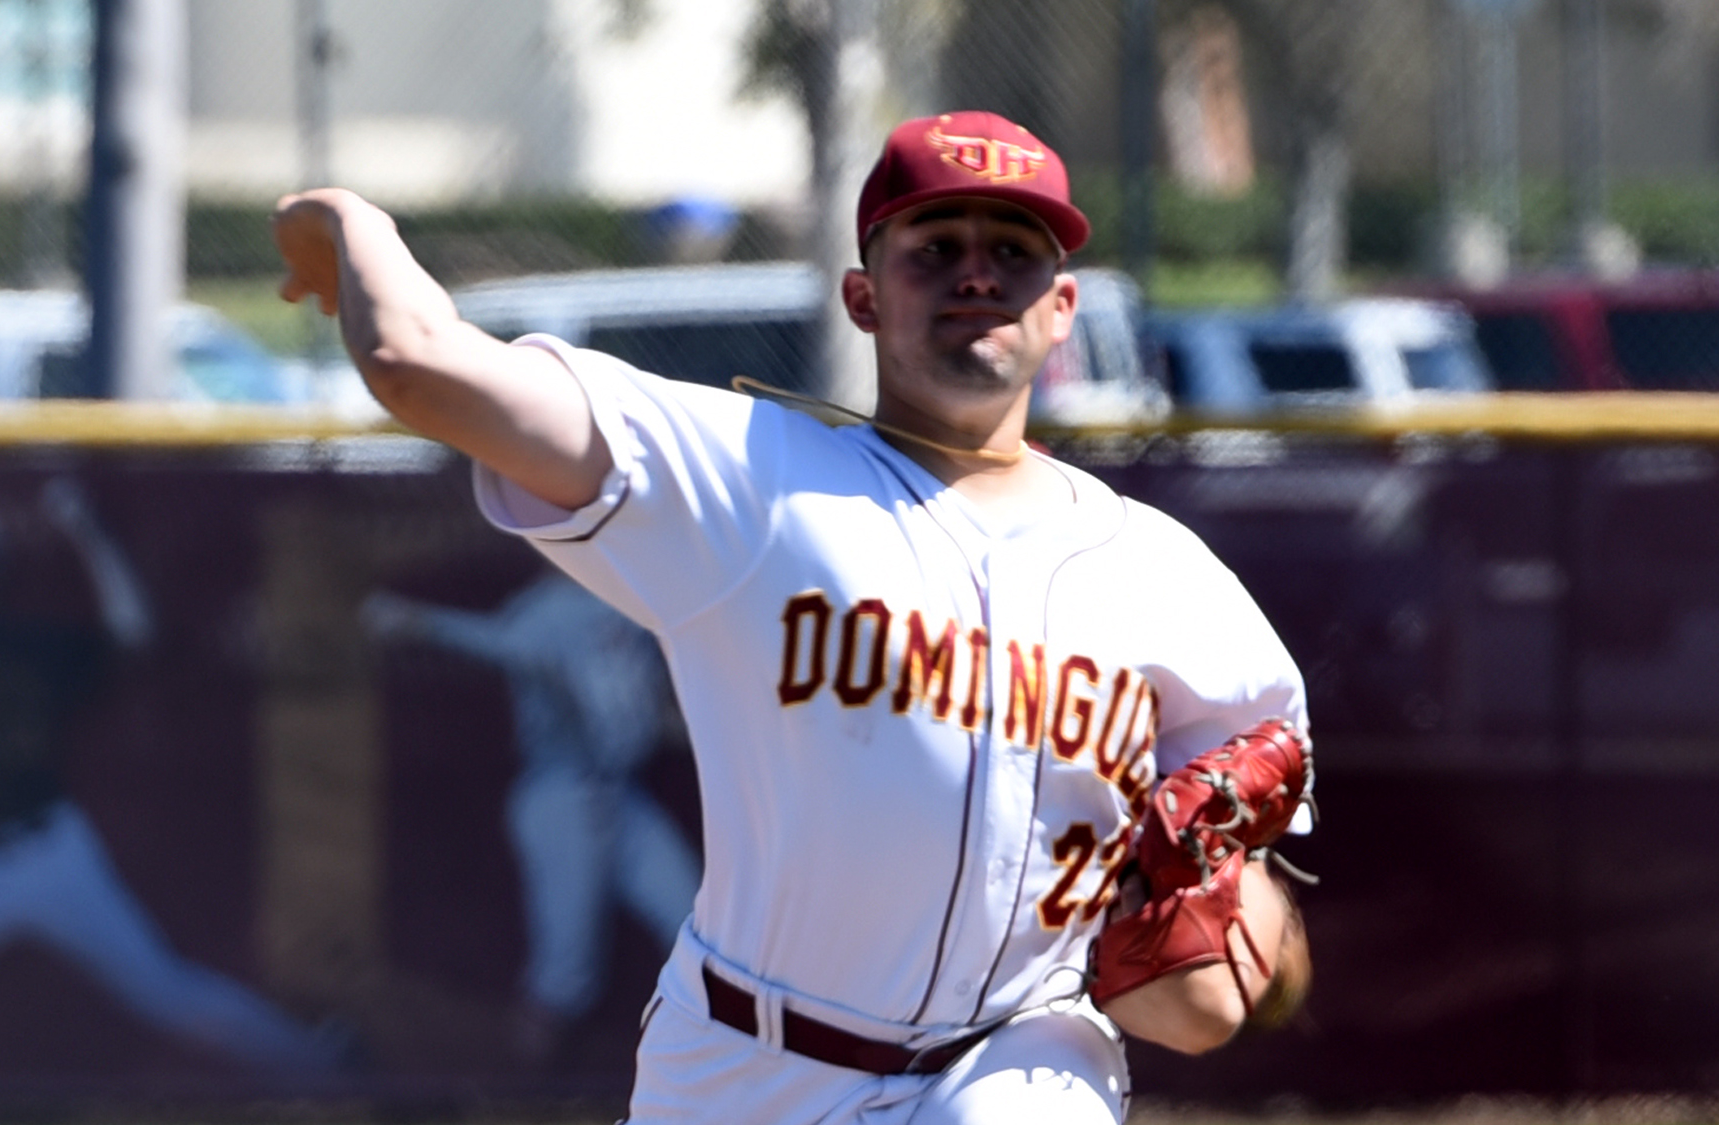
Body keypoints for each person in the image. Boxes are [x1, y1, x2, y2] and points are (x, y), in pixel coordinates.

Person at [274, 109, 1312, 1123]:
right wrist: (347, 219)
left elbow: (1252, 927)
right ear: (862, 297)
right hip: (743, 1065)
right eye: (934, 247)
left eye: (1014, 248)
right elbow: (421, 361)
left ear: (1062, 306)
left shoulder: (1168, 580)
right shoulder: (745, 478)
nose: (978, 272)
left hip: (1019, 1059)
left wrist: (1237, 933)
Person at [0, 478, 347, 1075]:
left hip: (52, 857)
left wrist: (89, 533)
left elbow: (133, 631)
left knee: (170, 997)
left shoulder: (27, 649)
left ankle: (322, 1066)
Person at [361, 571, 699, 1062]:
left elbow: (644, 714)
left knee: (694, 922)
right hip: (559, 795)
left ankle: (711, 1077)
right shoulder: (552, 608)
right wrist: (420, 622)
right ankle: (519, 1092)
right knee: (566, 973)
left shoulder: (645, 601)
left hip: (621, 796)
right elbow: (504, 645)